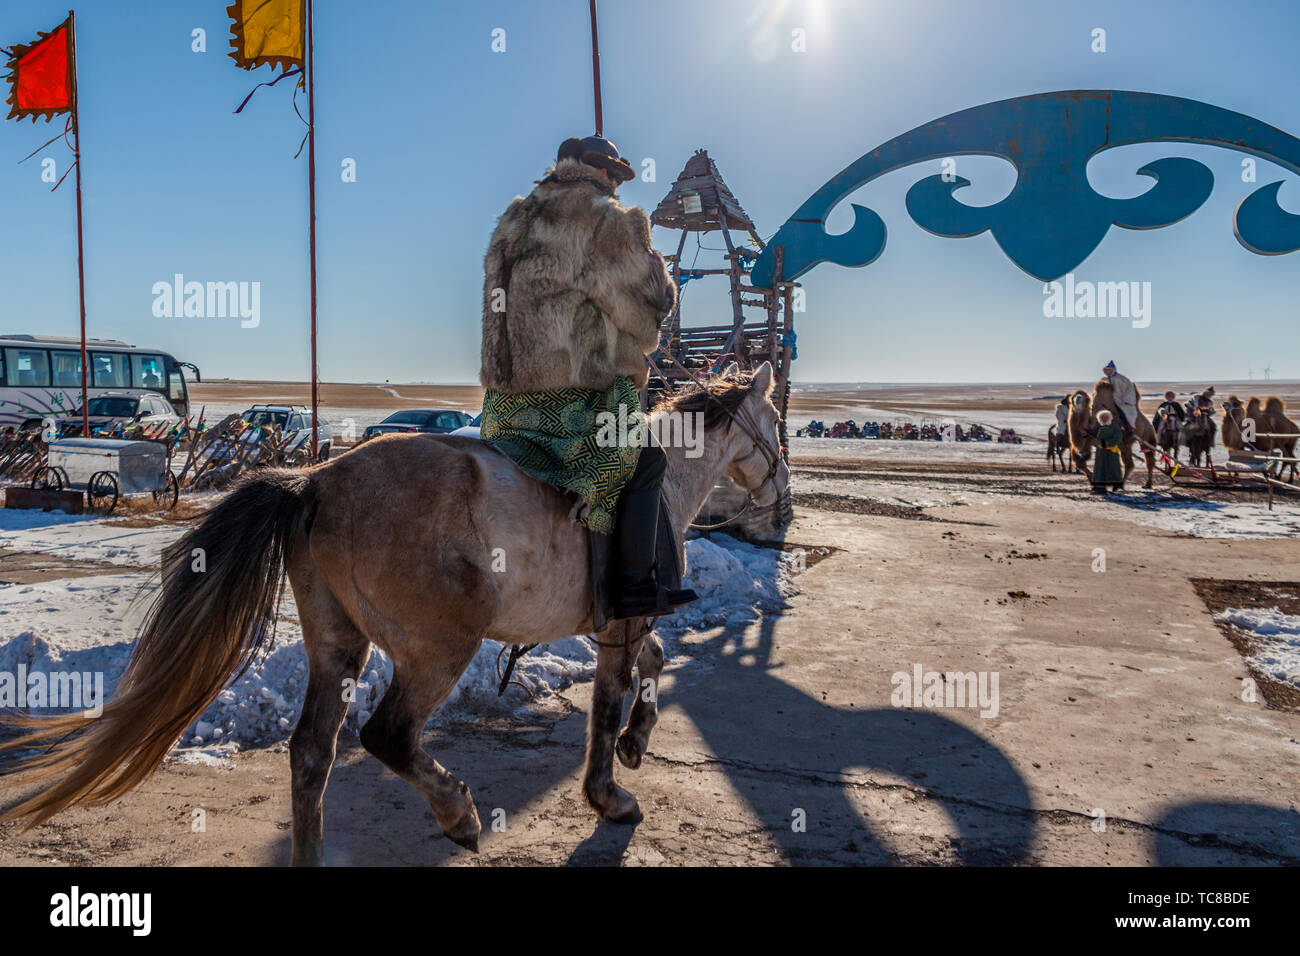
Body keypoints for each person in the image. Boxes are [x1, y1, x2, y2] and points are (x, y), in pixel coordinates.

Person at [479, 135, 697, 618]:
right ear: (605, 174)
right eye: (616, 177)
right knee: (647, 463)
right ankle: (634, 585)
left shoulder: (514, 220)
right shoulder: (607, 219)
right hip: (576, 401)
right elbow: (653, 300)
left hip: (507, 406)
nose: (618, 187)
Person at [1102, 360, 1140, 438]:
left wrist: (1127, 400)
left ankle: (1129, 430)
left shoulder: (1121, 379)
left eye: (1109, 370)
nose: (1108, 371)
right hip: (1107, 402)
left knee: (1123, 415)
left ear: (1113, 369)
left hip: (1120, 402)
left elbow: (1129, 389)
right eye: (1106, 370)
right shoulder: (1104, 380)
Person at [1091, 409, 1124, 493]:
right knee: (1100, 468)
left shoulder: (1114, 427)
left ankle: (1115, 485)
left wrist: (1105, 443)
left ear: (1110, 418)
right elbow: (1094, 437)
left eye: (1106, 417)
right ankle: (1099, 485)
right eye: (1102, 417)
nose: (1104, 419)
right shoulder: (1099, 427)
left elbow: (1118, 438)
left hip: (1111, 451)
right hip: (1100, 452)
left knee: (1113, 468)